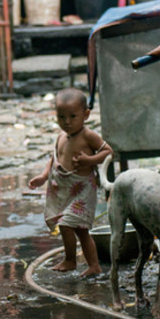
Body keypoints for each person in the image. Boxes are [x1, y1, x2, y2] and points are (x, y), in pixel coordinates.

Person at [28, 88, 113, 277]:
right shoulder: (61, 136)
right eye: (61, 117)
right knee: (66, 224)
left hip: (81, 189)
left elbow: (108, 152)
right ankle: (71, 260)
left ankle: (91, 265)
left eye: (73, 116)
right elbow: (55, 158)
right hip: (64, 188)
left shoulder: (88, 135)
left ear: (86, 115)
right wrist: (43, 176)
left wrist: (89, 161)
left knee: (77, 228)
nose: (67, 122)